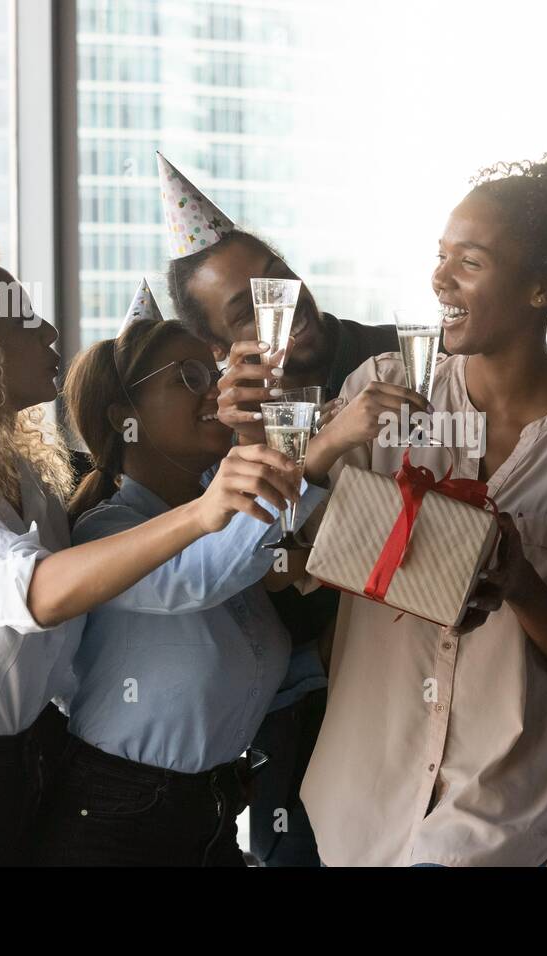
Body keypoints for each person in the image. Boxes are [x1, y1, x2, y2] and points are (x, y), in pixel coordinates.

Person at [0, 176, 303, 866]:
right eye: (22, 320)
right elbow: (35, 592)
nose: (49, 331)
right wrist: (203, 509)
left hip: (21, 772)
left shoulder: (33, 481)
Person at [299, 158, 547, 866]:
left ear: (541, 286)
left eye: (471, 260)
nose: (441, 277)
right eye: (440, 256)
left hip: (499, 808)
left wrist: (520, 584)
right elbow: (284, 567)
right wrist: (322, 446)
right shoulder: (379, 394)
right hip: (361, 799)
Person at [159, 150, 397, 865]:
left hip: (416, 678)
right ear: (216, 345)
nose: (285, 304)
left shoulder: (395, 360)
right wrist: (246, 438)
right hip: (298, 716)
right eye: (249, 307)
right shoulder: (214, 428)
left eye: (281, 278)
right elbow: (248, 588)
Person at [34, 286, 328, 866]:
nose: (215, 392)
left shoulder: (215, 533)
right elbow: (199, 580)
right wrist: (313, 452)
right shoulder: (106, 532)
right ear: (126, 419)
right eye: (188, 378)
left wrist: (326, 659)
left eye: (214, 374)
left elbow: (233, 669)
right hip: (114, 820)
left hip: (209, 812)